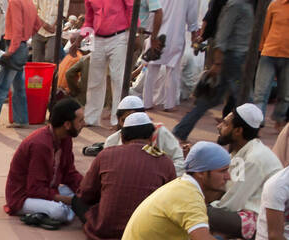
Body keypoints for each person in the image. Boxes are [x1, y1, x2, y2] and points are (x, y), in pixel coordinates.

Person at [111, 141, 250, 240]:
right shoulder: (189, 197)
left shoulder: (185, 186)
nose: (227, 177)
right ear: (201, 173)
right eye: (222, 171)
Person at [79, 112, 176, 240]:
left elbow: (86, 193)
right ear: (150, 137)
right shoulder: (165, 162)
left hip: (105, 230)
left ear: (122, 137)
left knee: (77, 201)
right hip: (145, 235)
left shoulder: (106, 155)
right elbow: (171, 203)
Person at [174, 0, 251, 143]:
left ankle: (181, 130)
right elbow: (222, 36)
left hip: (237, 58)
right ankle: (240, 138)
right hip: (231, 58)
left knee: (211, 100)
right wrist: (217, 62)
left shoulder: (247, 5)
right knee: (244, 99)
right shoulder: (235, 5)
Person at [5, 98, 85, 228]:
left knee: (81, 193)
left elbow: (69, 173)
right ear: (67, 125)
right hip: (23, 197)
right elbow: (34, 190)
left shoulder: (65, 138)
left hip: (48, 189)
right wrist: (71, 201)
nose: (84, 124)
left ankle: (44, 214)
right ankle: (48, 212)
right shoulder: (40, 145)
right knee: (58, 211)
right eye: (80, 121)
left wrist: (86, 189)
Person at [207, 105, 283, 240]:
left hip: (258, 220)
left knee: (196, 212)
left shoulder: (254, 159)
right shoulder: (242, 151)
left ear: (238, 131)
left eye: (225, 124)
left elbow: (233, 202)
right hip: (244, 211)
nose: (219, 126)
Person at [0, 0, 36, 130]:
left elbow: (17, 27)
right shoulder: (29, 3)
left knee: (0, 86)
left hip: (15, 46)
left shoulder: (15, 2)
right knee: (18, 86)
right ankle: (21, 119)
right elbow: (36, 25)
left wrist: (11, 51)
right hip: (22, 45)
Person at [95, 95, 184, 176]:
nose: (132, 123)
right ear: (119, 120)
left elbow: (180, 161)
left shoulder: (159, 132)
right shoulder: (112, 141)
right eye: (125, 120)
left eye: (136, 118)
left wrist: (160, 175)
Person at [140, 0, 199, 112]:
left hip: (157, 32)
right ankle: (170, 104)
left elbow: (151, 9)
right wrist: (193, 32)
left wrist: (149, 31)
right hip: (175, 34)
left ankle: (146, 102)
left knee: (151, 69)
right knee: (173, 70)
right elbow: (192, 14)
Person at [83, 0, 133, 128]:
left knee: (117, 78)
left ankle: (117, 119)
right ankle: (91, 118)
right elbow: (89, 18)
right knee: (95, 79)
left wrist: (134, 33)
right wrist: (83, 37)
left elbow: (131, 8)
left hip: (119, 36)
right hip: (98, 38)